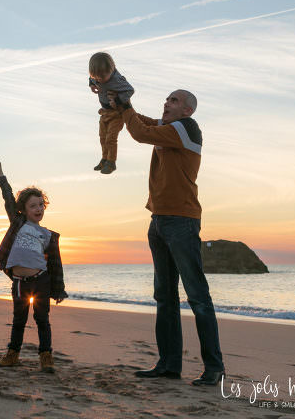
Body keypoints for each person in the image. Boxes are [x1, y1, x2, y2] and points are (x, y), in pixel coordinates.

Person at [113, 89, 225, 386]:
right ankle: (169, 364)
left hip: (182, 221)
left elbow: (139, 132)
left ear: (187, 111)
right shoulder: (168, 128)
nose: (166, 103)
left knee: (198, 297)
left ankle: (214, 368)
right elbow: (142, 123)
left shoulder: (187, 128)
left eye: (174, 100)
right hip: (159, 220)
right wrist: (119, 100)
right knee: (164, 297)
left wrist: (125, 106)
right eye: (167, 99)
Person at [0, 156, 67, 373]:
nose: (39, 208)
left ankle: (46, 357)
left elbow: (55, 266)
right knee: (19, 320)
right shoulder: (18, 222)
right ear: (23, 209)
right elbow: (7, 197)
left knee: (42, 319)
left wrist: (59, 290)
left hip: (41, 281)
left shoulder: (48, 235)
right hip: (20, 282)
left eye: (41, 204)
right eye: (33, 205)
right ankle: (12, 355)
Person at [87, 52, 134, 175]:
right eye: (97, 78)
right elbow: (91, 78)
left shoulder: (117, 80)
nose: (99, 80)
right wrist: (92, 84)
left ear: (111, 69)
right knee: (102, 137)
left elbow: (130, 90)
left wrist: (117, 100)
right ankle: (105, 159)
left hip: (117, 113)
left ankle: (111, 162)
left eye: (102, 77)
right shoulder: (97, 75)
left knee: (110, 138)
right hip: (105, 112)